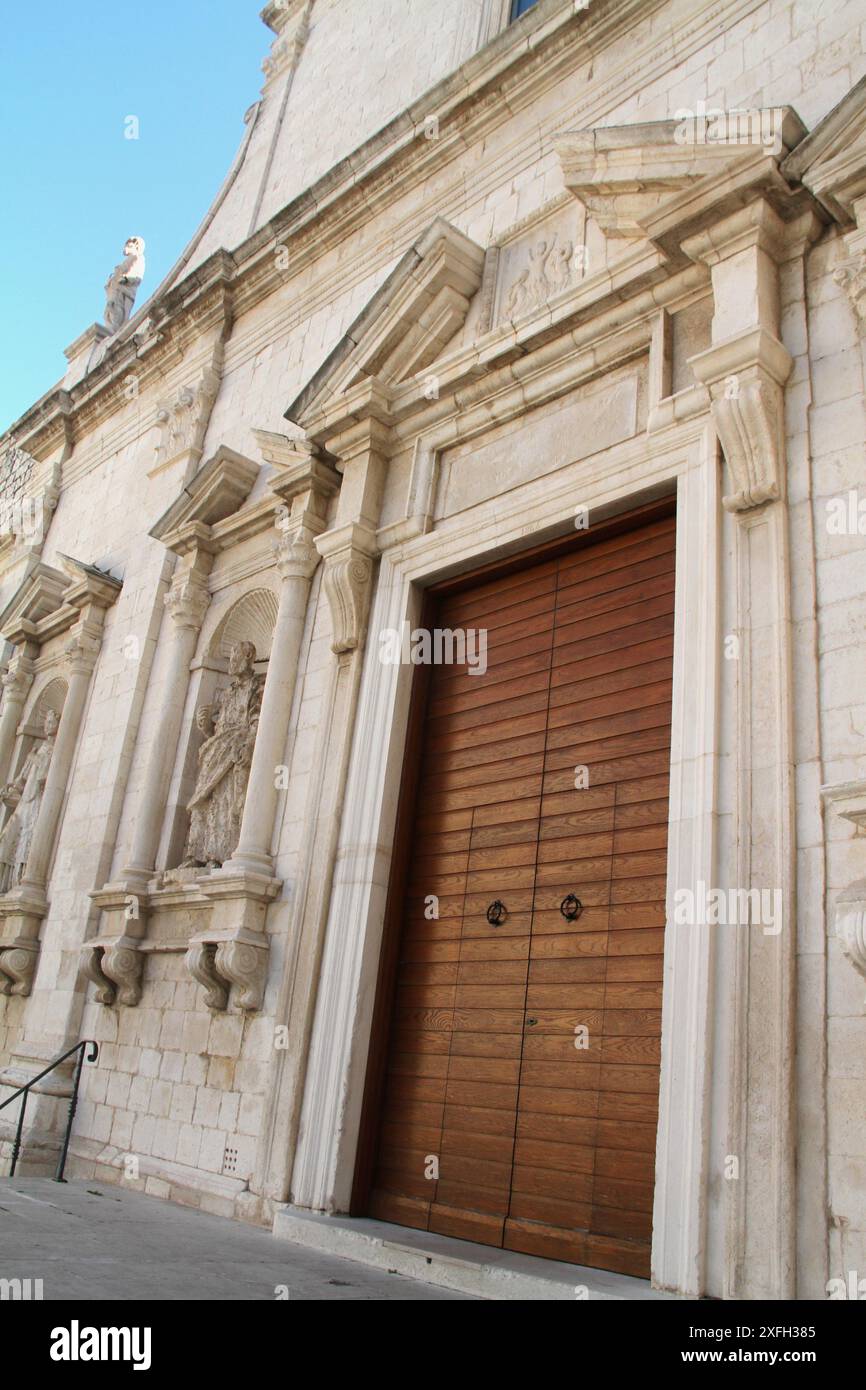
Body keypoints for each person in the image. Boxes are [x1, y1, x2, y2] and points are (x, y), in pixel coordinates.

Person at [180, 641, 264, 869]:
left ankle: (218, 856)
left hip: (236, 750)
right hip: (216, 751)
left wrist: (249, 745)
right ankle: (195, 854)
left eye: (236, 654)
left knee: (227, 803)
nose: (232, 660)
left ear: (248, 656)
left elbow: (257, 721)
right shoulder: (227, 693)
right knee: (204, 801)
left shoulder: (257, 686)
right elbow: (216, 731)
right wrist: (206, 726)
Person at [0, 708, 58, 893]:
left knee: (28, 839)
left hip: (38, 801)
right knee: (8, 838)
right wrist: (11, 788)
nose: (48, 726)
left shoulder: (55, 748)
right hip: (25, 800)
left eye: (52, 722)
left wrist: (35, 758)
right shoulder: (39, 748)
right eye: (47, 722)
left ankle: (20, 880)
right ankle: (6, 885)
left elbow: (44, 777)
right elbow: (22, 779)